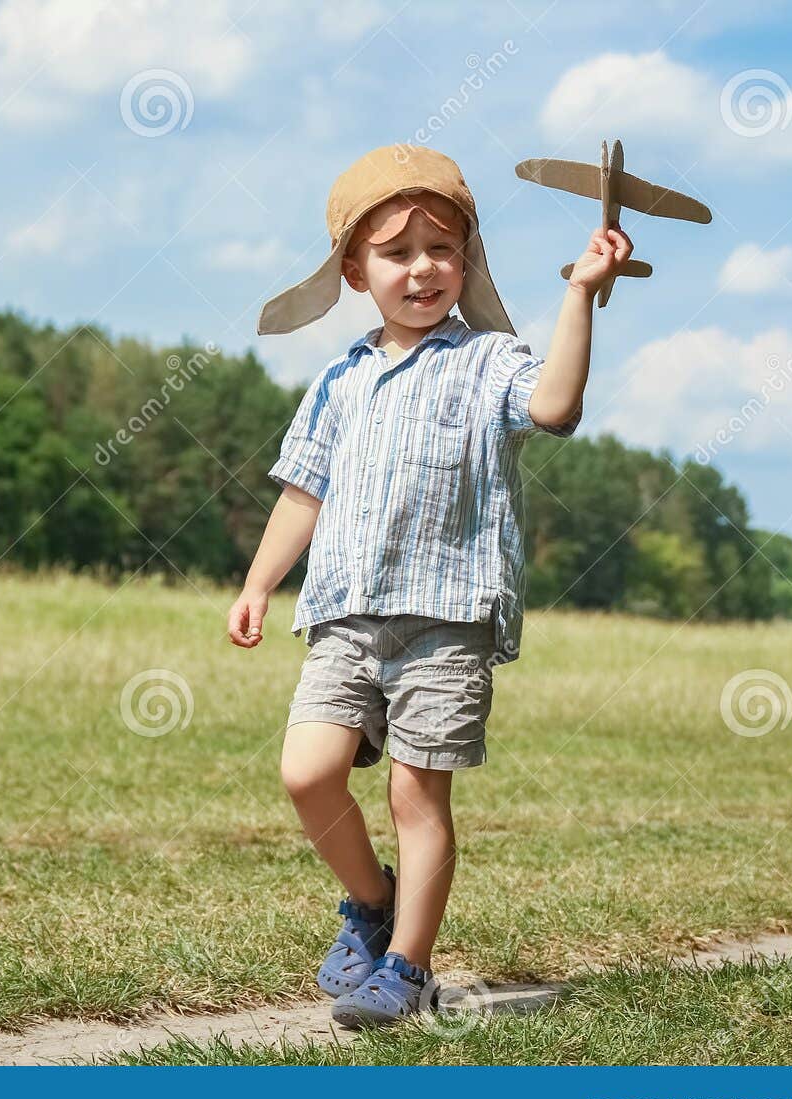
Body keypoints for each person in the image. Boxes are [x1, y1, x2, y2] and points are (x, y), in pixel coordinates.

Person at [226, 143, 632, 1028]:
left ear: (469, 260)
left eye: (442, 249)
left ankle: (407, 967)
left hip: (448, 621)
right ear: (354, 270)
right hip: (342, 615)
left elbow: (557, 405)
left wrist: (579, 294)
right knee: (308, 773)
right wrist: (260, 583)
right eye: (397, 253)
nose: (422, 269)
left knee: (417, 791)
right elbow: (304, 491)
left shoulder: (490, 362)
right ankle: (372, 905)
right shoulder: (338, 381)